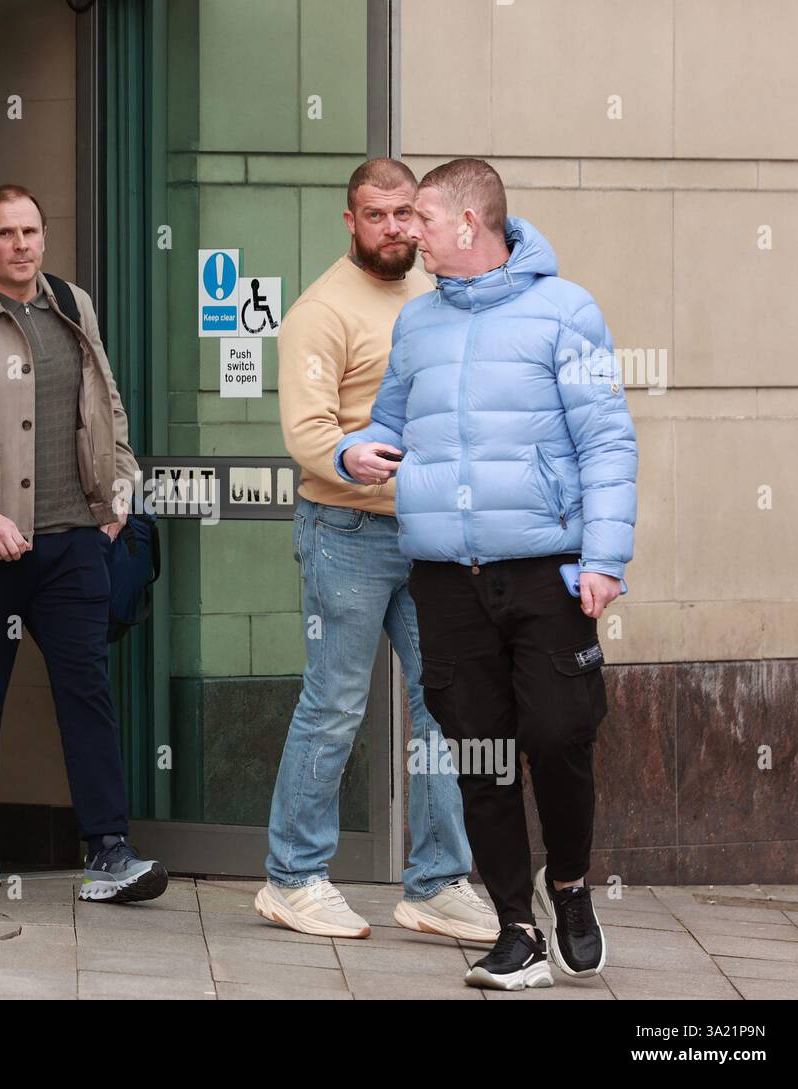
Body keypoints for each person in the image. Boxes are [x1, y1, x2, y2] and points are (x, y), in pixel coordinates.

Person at [336, 158, 637, 989]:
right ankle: (515, 929)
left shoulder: (566, 313)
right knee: (482, 754)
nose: (407, 233)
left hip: (546, 571)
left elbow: (608, 439)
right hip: (446, 577)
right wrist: (352, 450)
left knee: (557, 735)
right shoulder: (419, 324)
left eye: (421, 221)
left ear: (468, 223)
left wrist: (605, 557)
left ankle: (568, 882)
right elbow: (388, 421)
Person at [0, 183, 167, 904]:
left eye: (31, 231)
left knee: (87, 686)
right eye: (5, 233)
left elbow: (106, 402)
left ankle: (109, 849)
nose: (21, 245)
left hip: (72, 539)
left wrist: (117, 494)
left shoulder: (71, 305)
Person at [255, 158, 497, 943]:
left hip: (430, 538)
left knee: (445, 708)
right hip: (348, 534)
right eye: (377, 214)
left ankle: (436, 882)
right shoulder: (320, 311)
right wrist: (348, 455)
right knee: (335, 705)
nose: (394, 228)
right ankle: (292, 876)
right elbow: (307, 431)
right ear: (350, 220)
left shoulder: (433, 293)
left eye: (405, 214)